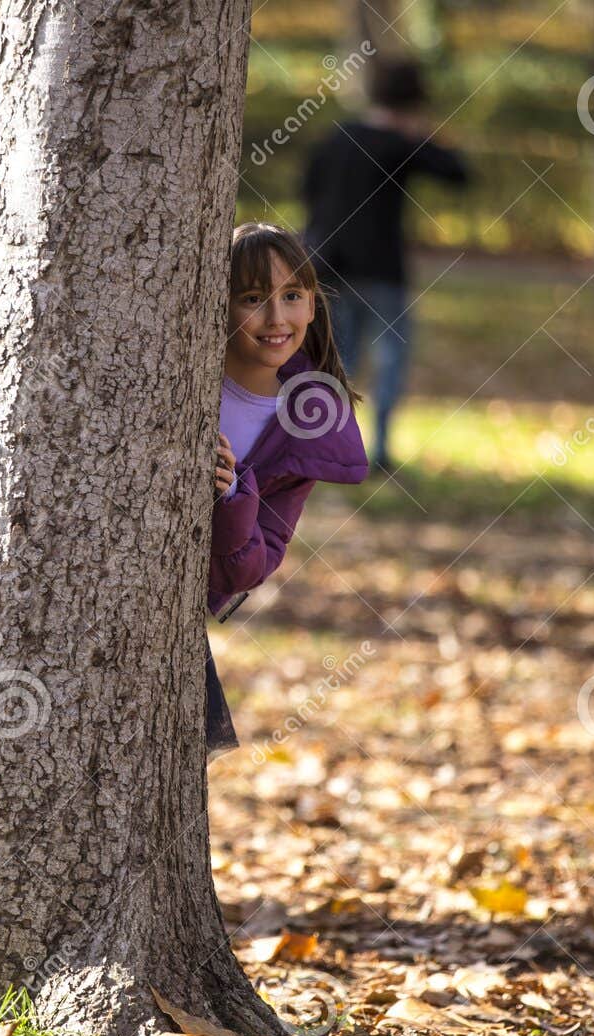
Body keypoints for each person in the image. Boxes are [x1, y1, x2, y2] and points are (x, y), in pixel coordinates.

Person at [208, 222, 370, 751]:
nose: (277, 319)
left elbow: (256, 563)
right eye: (253, 299)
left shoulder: (304, 422)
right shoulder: (187, 373)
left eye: (293, 296)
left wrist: (235, 495)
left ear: (313, 303)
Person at [301, 59, 468, 473]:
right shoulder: (402, 144)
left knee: (340, 359)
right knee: (391, 359)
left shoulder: (338, 138)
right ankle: (380, 450)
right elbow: (459, 173)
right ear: (414, 102)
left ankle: (330, 445)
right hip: (383, 271)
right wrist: (426, 133)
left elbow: (307, 189)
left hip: (332, 267)